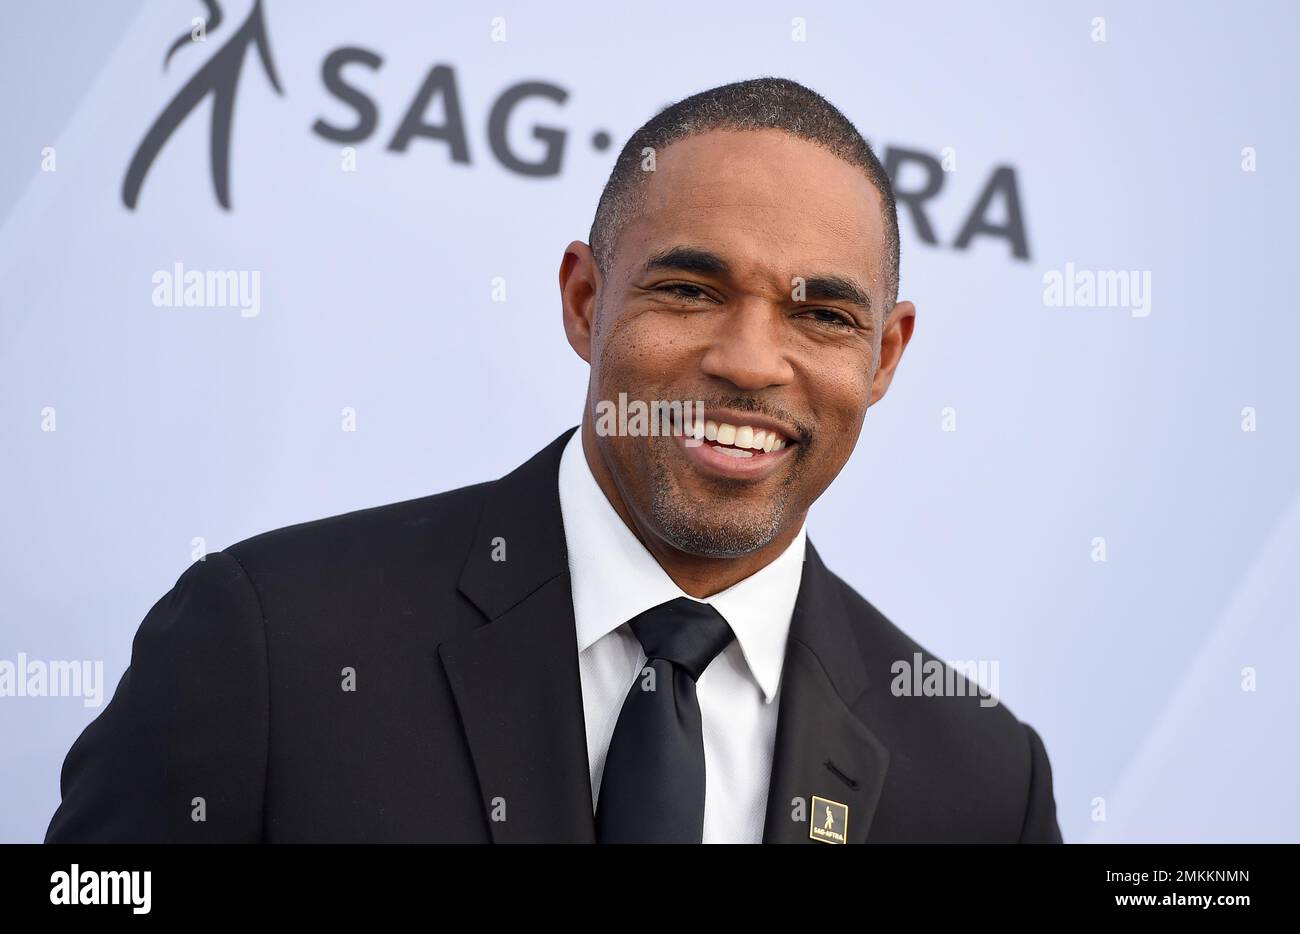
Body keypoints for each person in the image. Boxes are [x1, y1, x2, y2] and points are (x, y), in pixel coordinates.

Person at [45, 77, 1063, 844]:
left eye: (822, 314)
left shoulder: (981, 778)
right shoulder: (267, 641)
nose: (751, 361)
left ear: (883, 355)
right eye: (691, 291)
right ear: (585, 300)